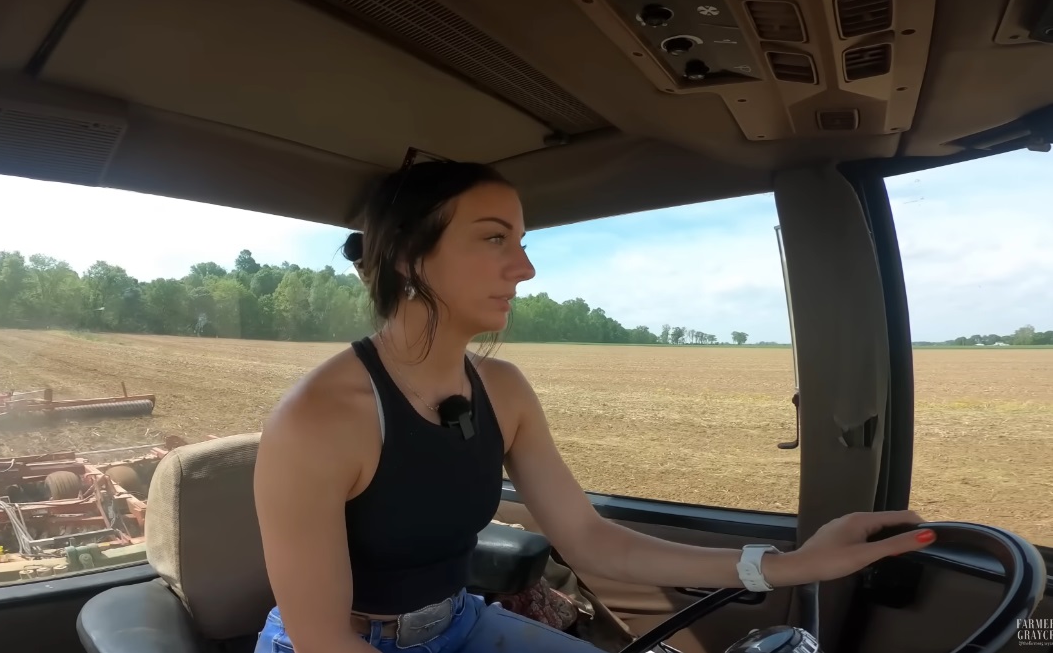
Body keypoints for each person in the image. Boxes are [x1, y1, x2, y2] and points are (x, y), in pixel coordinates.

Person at [252, 160, 934, 653]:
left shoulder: (505, 390)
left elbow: (590, 540)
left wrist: (785, 564)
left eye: (521, 242)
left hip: (458, 623)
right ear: (407, 256)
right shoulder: (320, 416)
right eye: (494, 238)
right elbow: (319, 635)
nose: (523, 268)